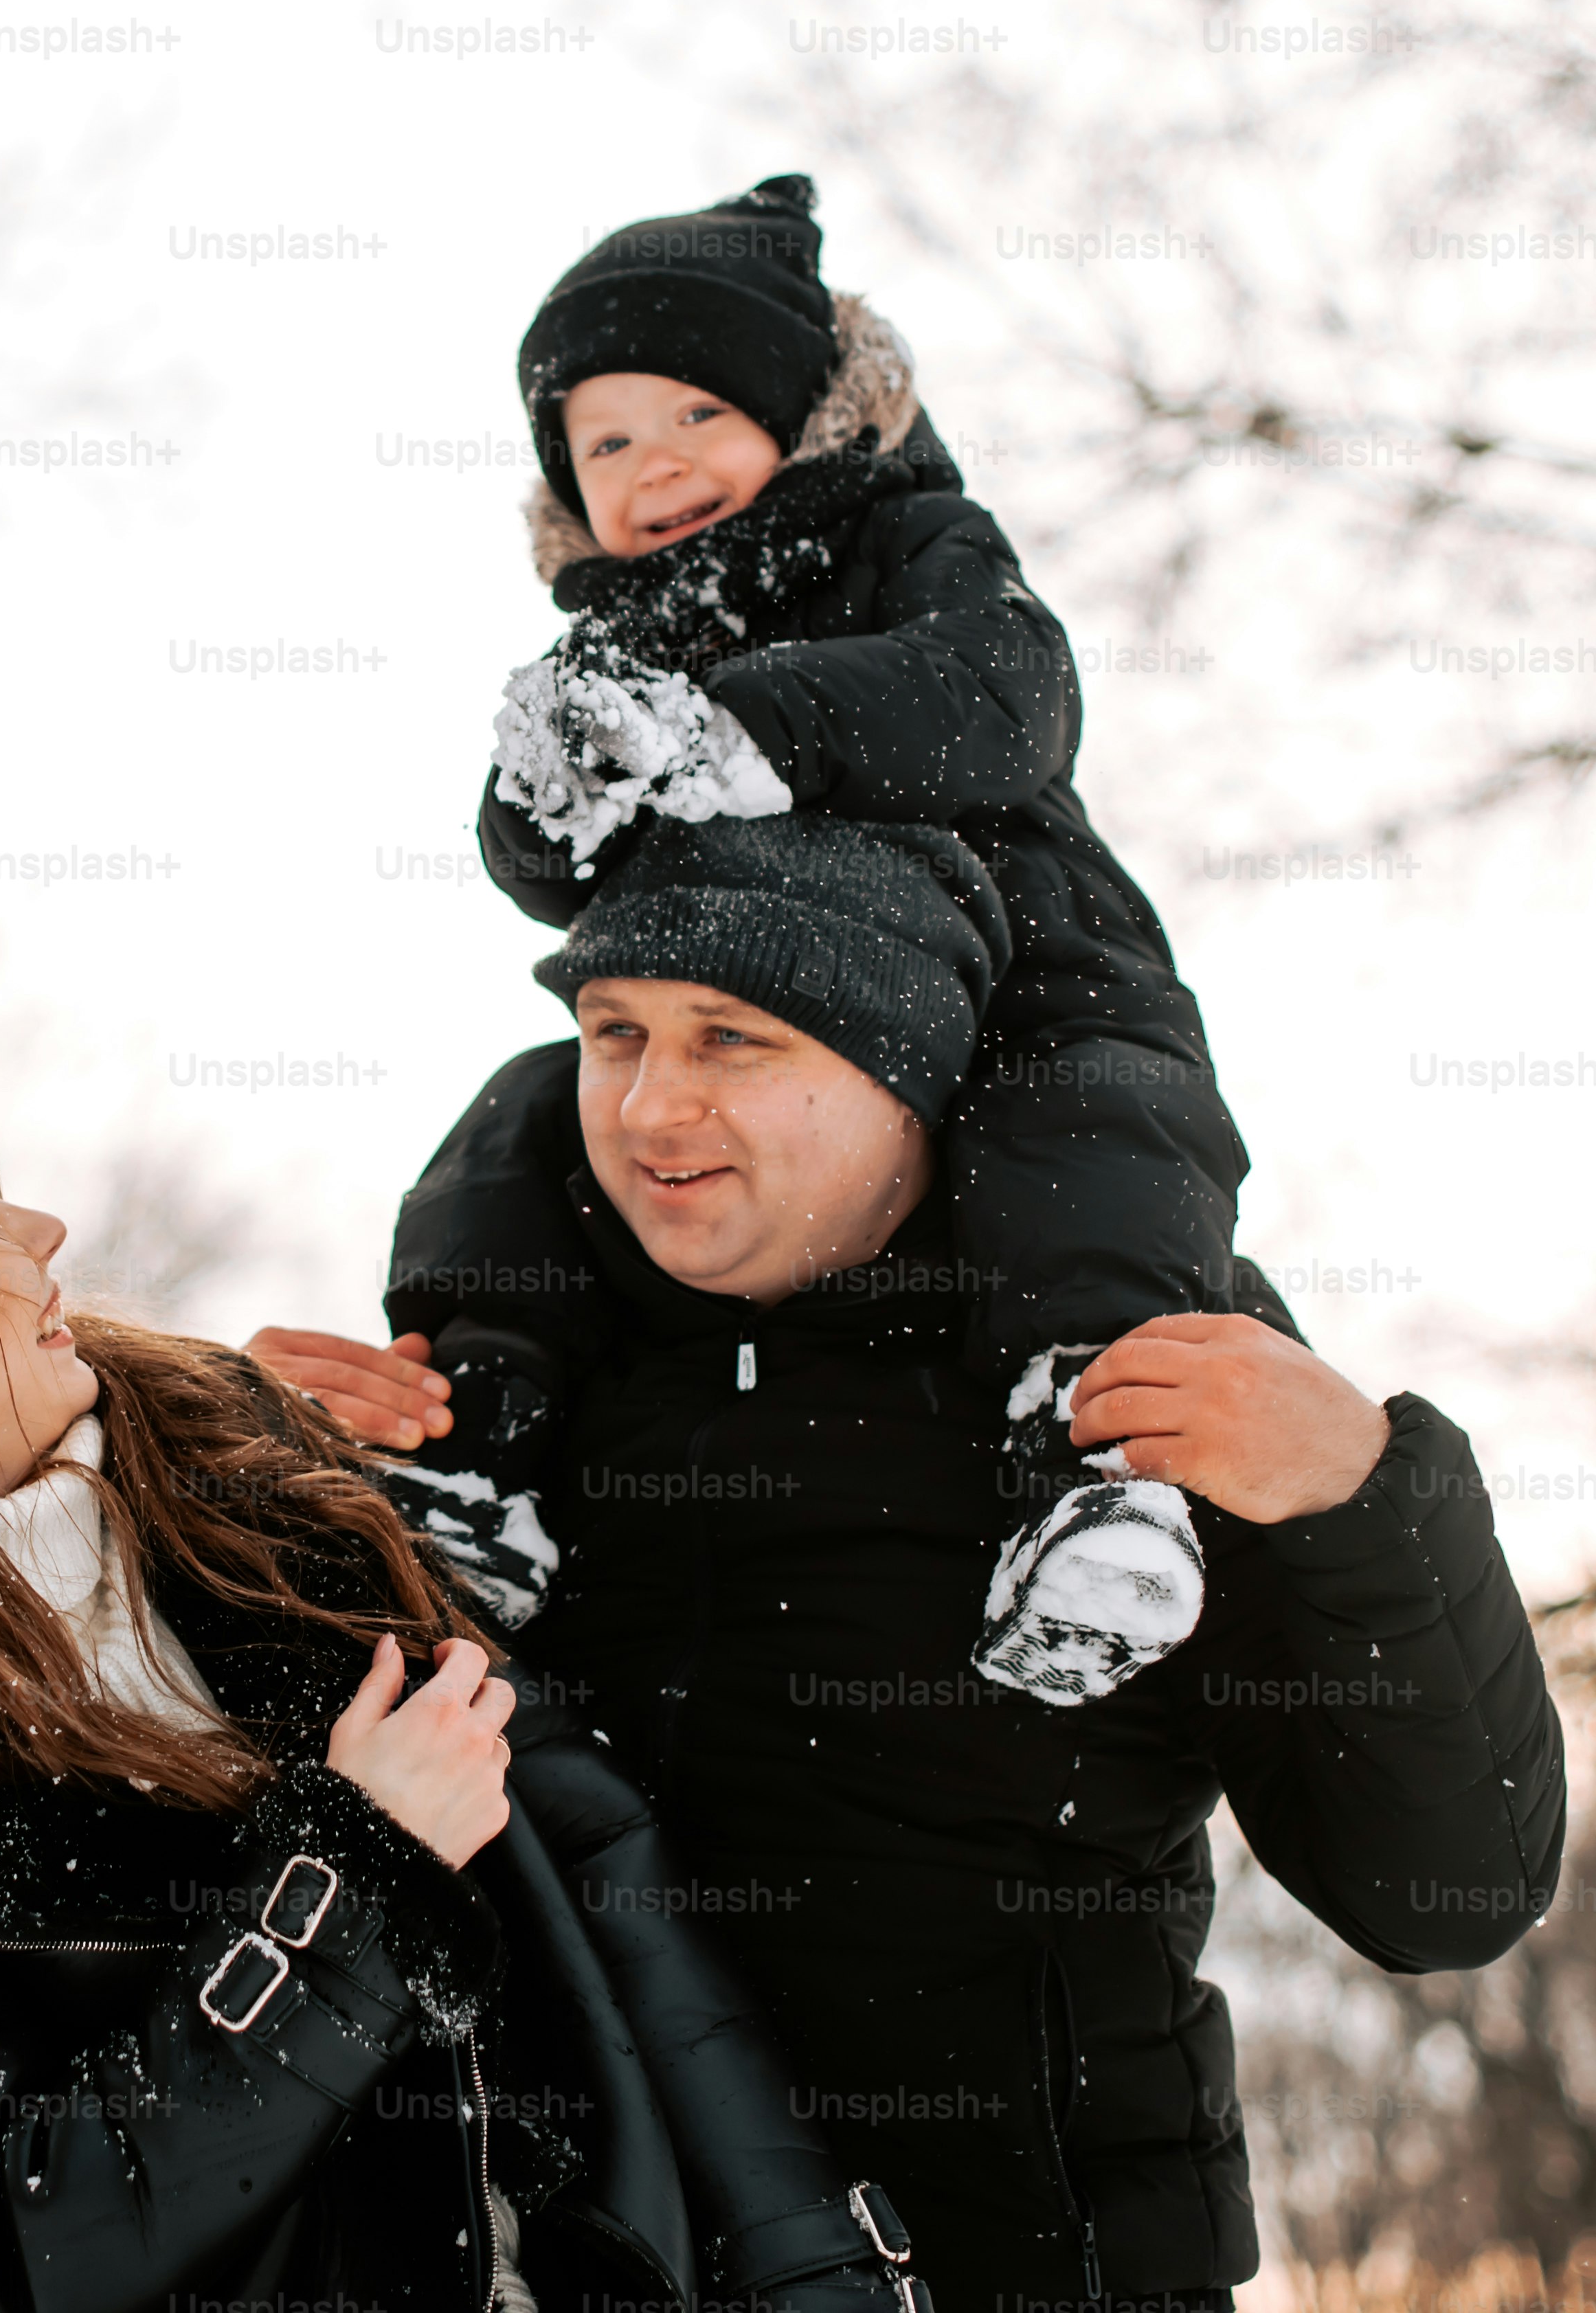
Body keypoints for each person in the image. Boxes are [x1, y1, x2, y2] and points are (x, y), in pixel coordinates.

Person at [251, 822, 1566, 2312]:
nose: (646, 1101)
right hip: (594, 2263)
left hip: (1027, 2265)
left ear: (906, 1068)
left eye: (729, 1037)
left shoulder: (1134, 1365)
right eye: (609, 1030)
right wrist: (236, 1512)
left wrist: (1362, 1498)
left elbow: (1448, 1889)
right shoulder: (498, 1393)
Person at [0, 1056, 936, 2313]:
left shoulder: (256, 1492)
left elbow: (606, 1872)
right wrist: (352, 1876)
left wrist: (814, 2266)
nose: (40, 1231)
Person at [442, 173, 1253, 1702]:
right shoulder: (612, 647)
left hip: (1022, 951)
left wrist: (744, 726)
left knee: (1087, 1125)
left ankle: (1098, 1466)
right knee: (530, 1127)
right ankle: (479, 1443)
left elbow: (1007, 690)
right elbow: (535, 861)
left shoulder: (903, 536)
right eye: (604, 440)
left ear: (800, 417)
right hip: (744, 1021)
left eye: (695, 412)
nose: (654, 463)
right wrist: (544, 802)